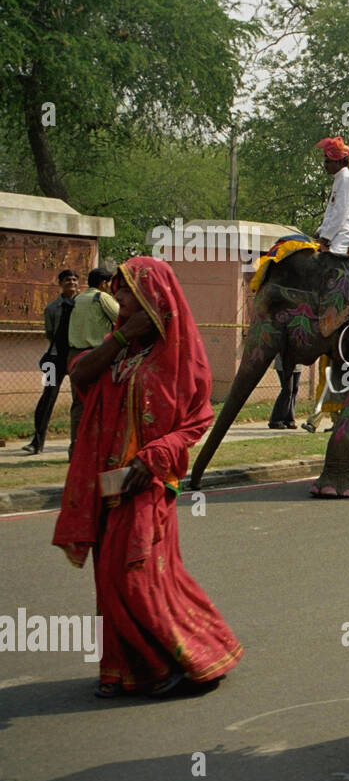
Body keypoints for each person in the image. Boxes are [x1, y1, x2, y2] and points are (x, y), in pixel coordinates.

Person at [52, 257, 242, 698]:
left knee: (137, 578)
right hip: (109, 484)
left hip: (148, 483)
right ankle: (131, 668)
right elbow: (78, 373)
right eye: (117, 293)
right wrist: (121, 337)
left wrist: (155, 456)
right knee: (111, 580)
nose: (118, 301)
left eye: (126, 294)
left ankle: (181, 661)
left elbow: (197, 420)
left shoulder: (178, 357)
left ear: (151, 299)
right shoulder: (119, 348)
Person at [21, 269, 80, 455]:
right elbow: (49, 333)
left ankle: (79, 444)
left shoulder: (83, 305)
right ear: (60, 283)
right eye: (67, 280)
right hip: (55, 359)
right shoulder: (52, 308)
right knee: (47, 397)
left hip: (77, 356)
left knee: (80, 399)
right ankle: (37, 443)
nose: (71, 282)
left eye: (74, 279)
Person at [66, 267, 120, 454]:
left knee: (79, 404)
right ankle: (97, 447)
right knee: (102, 401)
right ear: (103, 283)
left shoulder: (76, 299)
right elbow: (122, 317)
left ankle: (76, 447)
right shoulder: (101, 297)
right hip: (96, 355)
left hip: (74, 356)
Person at [314, 136, 349, 257]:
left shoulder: (347, 179)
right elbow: (331, 211)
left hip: (348, 229)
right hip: (339, 228)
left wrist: (325, 238)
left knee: (333, 256)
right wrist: (321, 231)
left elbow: (340, 213)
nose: (325, 165)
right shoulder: (339, 178)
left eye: (328, 161)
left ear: (339, 162)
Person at [269, 354, 301, 429]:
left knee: (294, 390)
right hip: (284, 363)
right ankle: (275, 420)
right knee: (287, 390)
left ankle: (289, 419)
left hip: (298, 364)